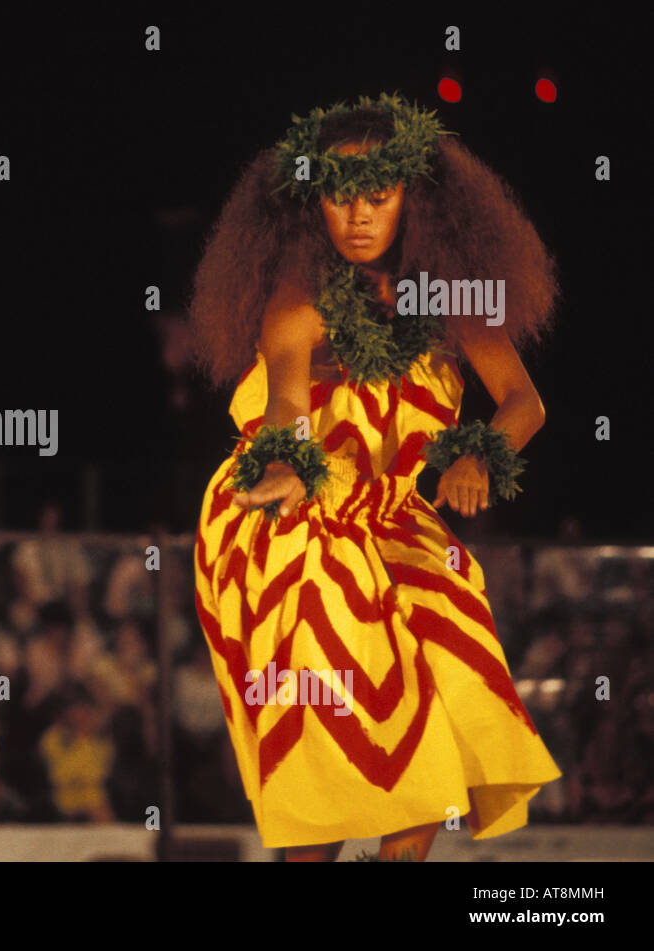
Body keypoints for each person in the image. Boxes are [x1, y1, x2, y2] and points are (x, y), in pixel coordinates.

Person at [189, 94, 562, 861]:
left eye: (378, 197)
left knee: (452, 704)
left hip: (394, 523)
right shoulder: (300, 297)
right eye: (337, 195)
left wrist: (476, 452)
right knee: (329, 752)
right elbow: (287, 398)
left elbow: (525, 401)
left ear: (412, 200)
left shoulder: (451, 295)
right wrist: (288, 459)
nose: (356, 216)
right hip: (291, 521)